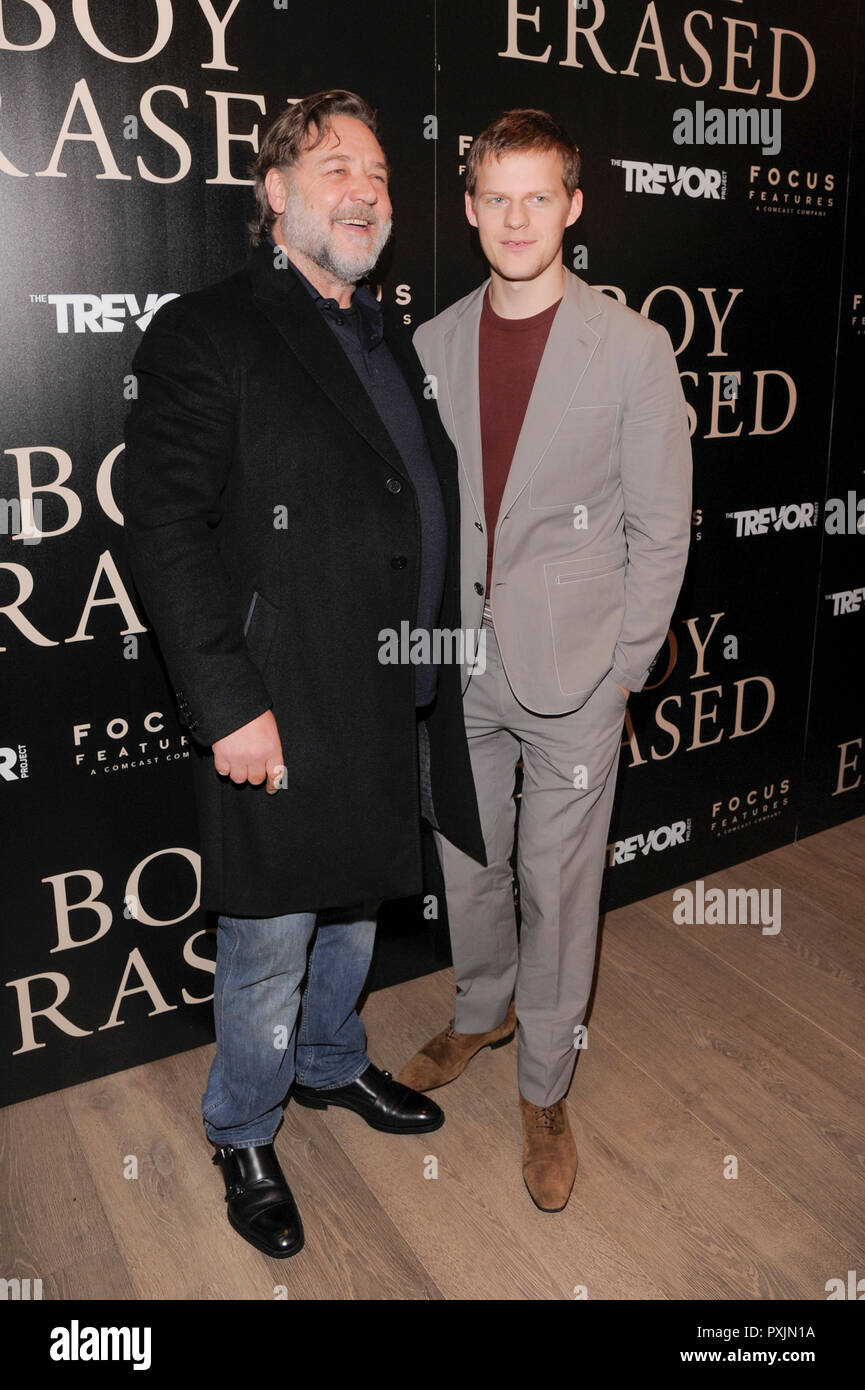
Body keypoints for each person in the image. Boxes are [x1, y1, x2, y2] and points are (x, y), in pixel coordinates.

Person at [122, 90, 484, 1259]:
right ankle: (241, 1125)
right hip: (279, 699)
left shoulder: (384, 333)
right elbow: (167, 524)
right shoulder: (210, 328)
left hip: (385, 689)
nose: (366, 190)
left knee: (355, 908)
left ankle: (329, 1064)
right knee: (273, 934)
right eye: (336, 168)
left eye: (378, 173)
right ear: (274, 193)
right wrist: (226, 701)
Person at [399, 109, 692, 1212]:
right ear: (470, 207)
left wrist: (624, 664)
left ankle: (543, 1084)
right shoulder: (427, 345)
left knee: (558, 888)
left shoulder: (632, 346)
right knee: (469, 866)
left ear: (572, 206)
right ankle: (483, 1011)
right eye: (495, 196)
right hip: (459, 663)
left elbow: (663, 526)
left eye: (539, 196)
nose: (515, 218)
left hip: (577, 674)